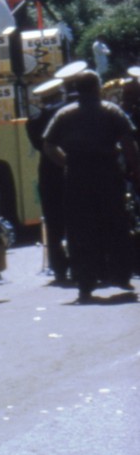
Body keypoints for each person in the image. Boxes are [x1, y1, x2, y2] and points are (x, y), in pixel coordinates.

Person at [42, 70, 140, 304]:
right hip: (107, 173)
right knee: (116, 223)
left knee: (80, 229)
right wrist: (135, 169)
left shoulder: (64, 114)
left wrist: (67, 162)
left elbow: (48, 145)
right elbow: (128, 142)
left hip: (77, 176)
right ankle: (120, 275)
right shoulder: (111, 111)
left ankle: (85, 282)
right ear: (96, 88)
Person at [26, 72, 76, 284]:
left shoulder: (33, 121)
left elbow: (39, 145)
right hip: (69, 167)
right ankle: (78, 262)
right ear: (59, 94)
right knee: (75, 218)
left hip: (47, 171)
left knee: (53, 221)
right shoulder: (67, 113)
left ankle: (58, 268)